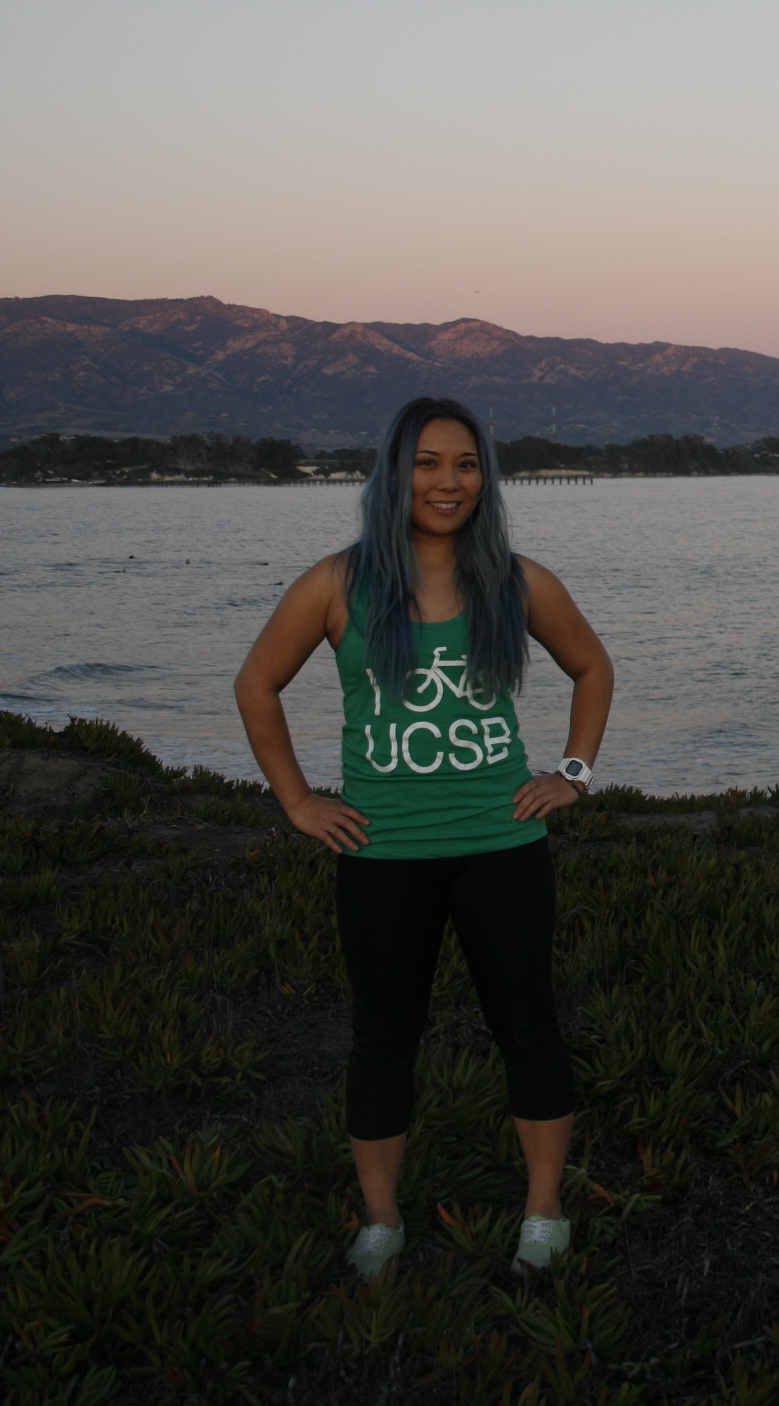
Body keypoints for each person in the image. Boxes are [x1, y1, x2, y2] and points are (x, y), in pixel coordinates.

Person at [234, 396, 613, 1282]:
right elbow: (257, 685)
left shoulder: (516, 582)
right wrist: (296, 802)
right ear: (394, 474)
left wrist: (574, 774)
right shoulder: (339, 584)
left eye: (468, 464)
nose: (450, 482)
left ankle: (544, 1211)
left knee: (527, 1024)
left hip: (501, 845)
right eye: (431, 463)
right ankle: (380, 1223)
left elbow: (593, 667)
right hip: (381, 853)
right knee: (383, 1037)